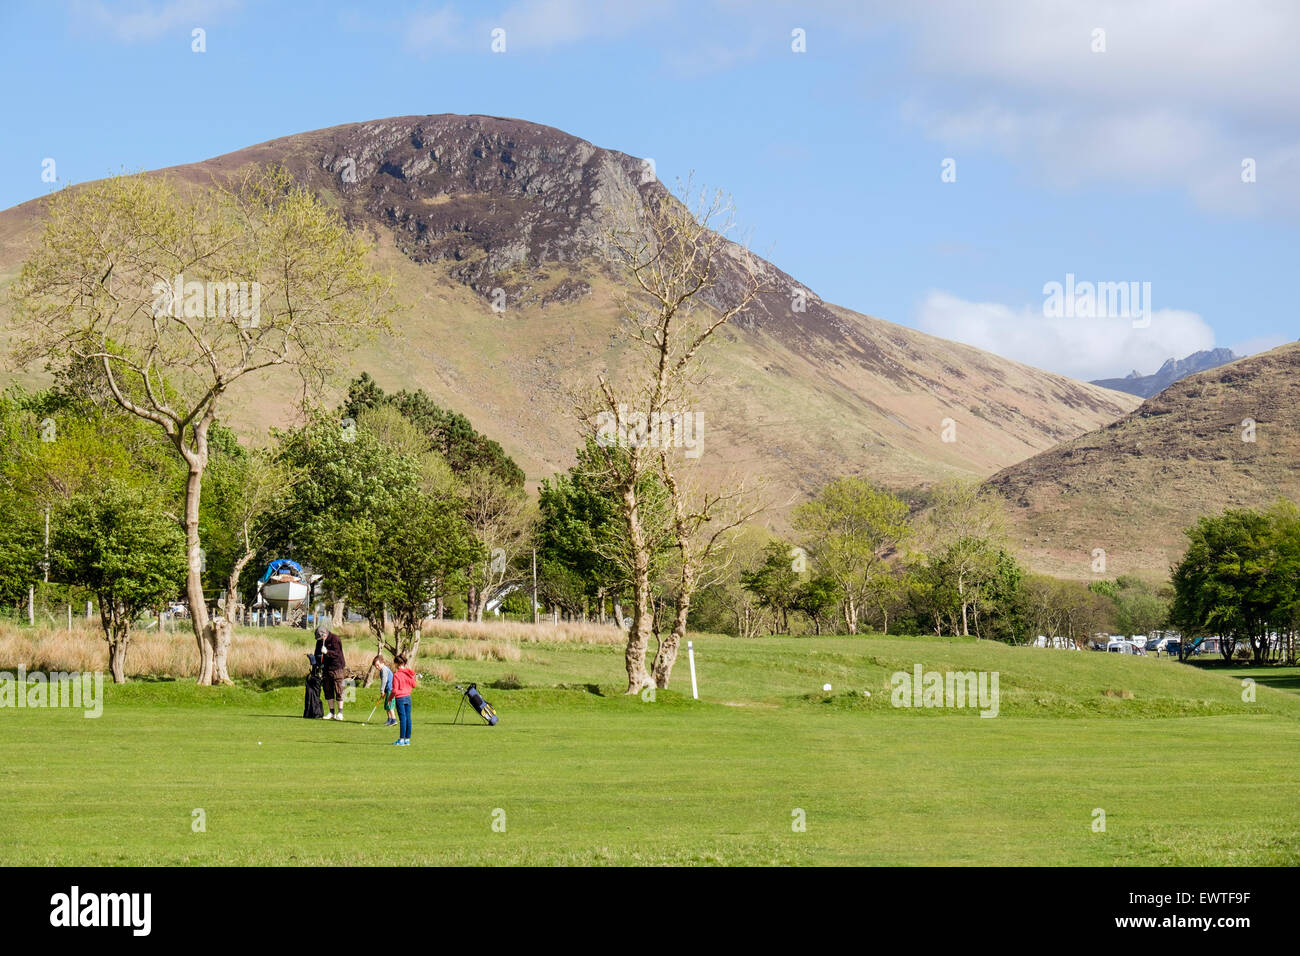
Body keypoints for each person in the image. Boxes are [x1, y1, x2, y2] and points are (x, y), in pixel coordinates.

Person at [380, 653, 418, 746]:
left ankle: (401, 740)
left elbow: (395, 690)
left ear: (397, 664)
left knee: (403, 719)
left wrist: (389, 699)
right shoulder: (409, 673)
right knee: (408, 718)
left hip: (400, 699)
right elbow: (414, 685)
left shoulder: (396, 675)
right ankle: (407, 740)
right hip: (408, 697)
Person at [314, 625, 347, 720]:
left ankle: (340, 713)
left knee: (339, 689)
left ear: (325, 634)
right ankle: (331, 712)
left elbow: (337, 653)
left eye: (321, 637)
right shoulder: (320, 641)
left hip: (337, 667)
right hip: (326, 668)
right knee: (328, 690)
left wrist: (327, 652)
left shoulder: (335, 639)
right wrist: (317, 663)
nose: (320, 640)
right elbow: (317, 653)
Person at [372, 654, 398, 727]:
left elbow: (384, 681)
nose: (377, 667)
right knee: (386, 705)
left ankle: (394, 720)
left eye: (378, 665)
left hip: (391, 689)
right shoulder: (382, 670)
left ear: (382, 663)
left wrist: (382, 691)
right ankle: (389, 719)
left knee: (389, 705)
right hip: (388, 690)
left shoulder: (384, 670)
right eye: (376, 666)